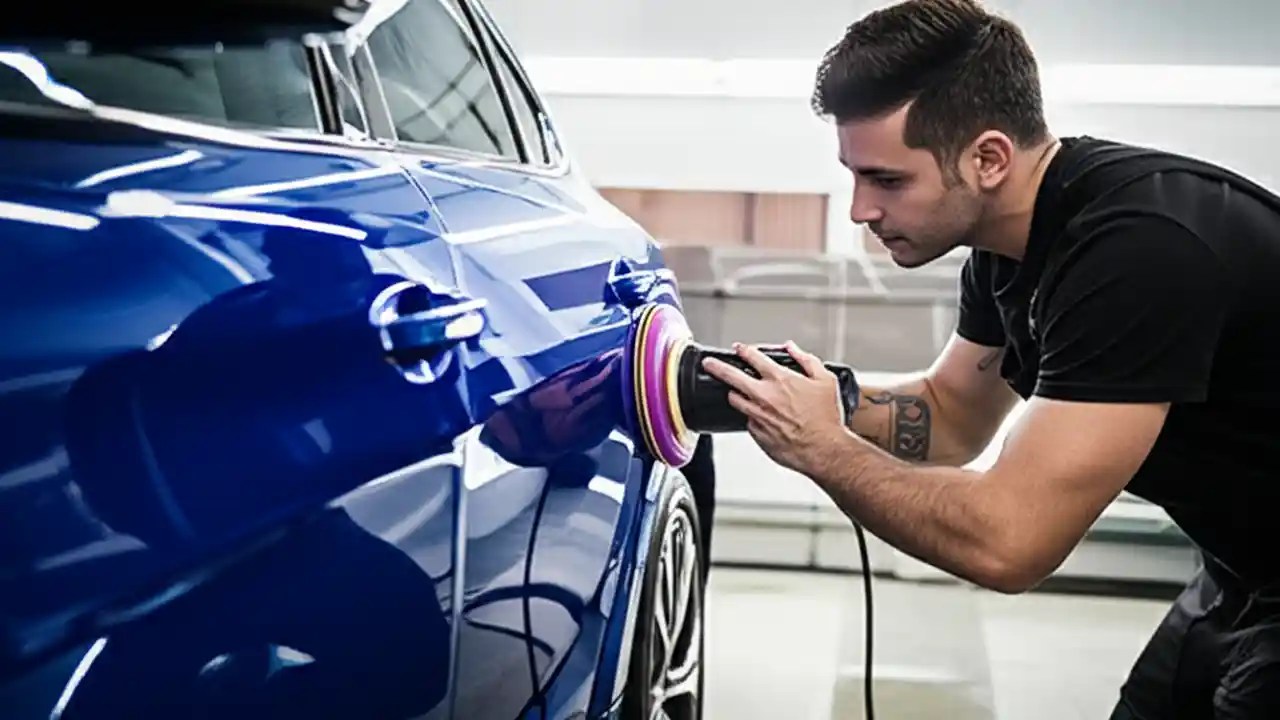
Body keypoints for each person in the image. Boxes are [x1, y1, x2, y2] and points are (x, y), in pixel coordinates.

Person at [701, 1, 1280, 718]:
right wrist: (815, 399)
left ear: (989, 158)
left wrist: (823, 449)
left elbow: (1011, 542)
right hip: (1239, 571)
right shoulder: (1005, 251)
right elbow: (950, 417)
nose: (859, 210)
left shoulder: (1139, 251)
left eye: (887, 181)